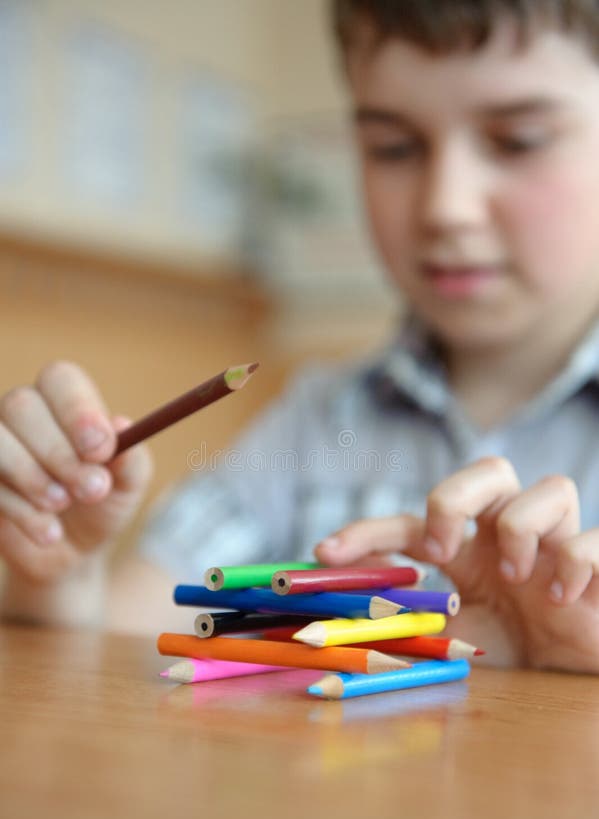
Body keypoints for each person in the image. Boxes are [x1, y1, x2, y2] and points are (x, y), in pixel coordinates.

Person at [1, 0, 598, 673]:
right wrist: (56, 573)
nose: (445, 207)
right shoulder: (309, 424)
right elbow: (134, 644)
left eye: (518, 140)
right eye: (392, 147)